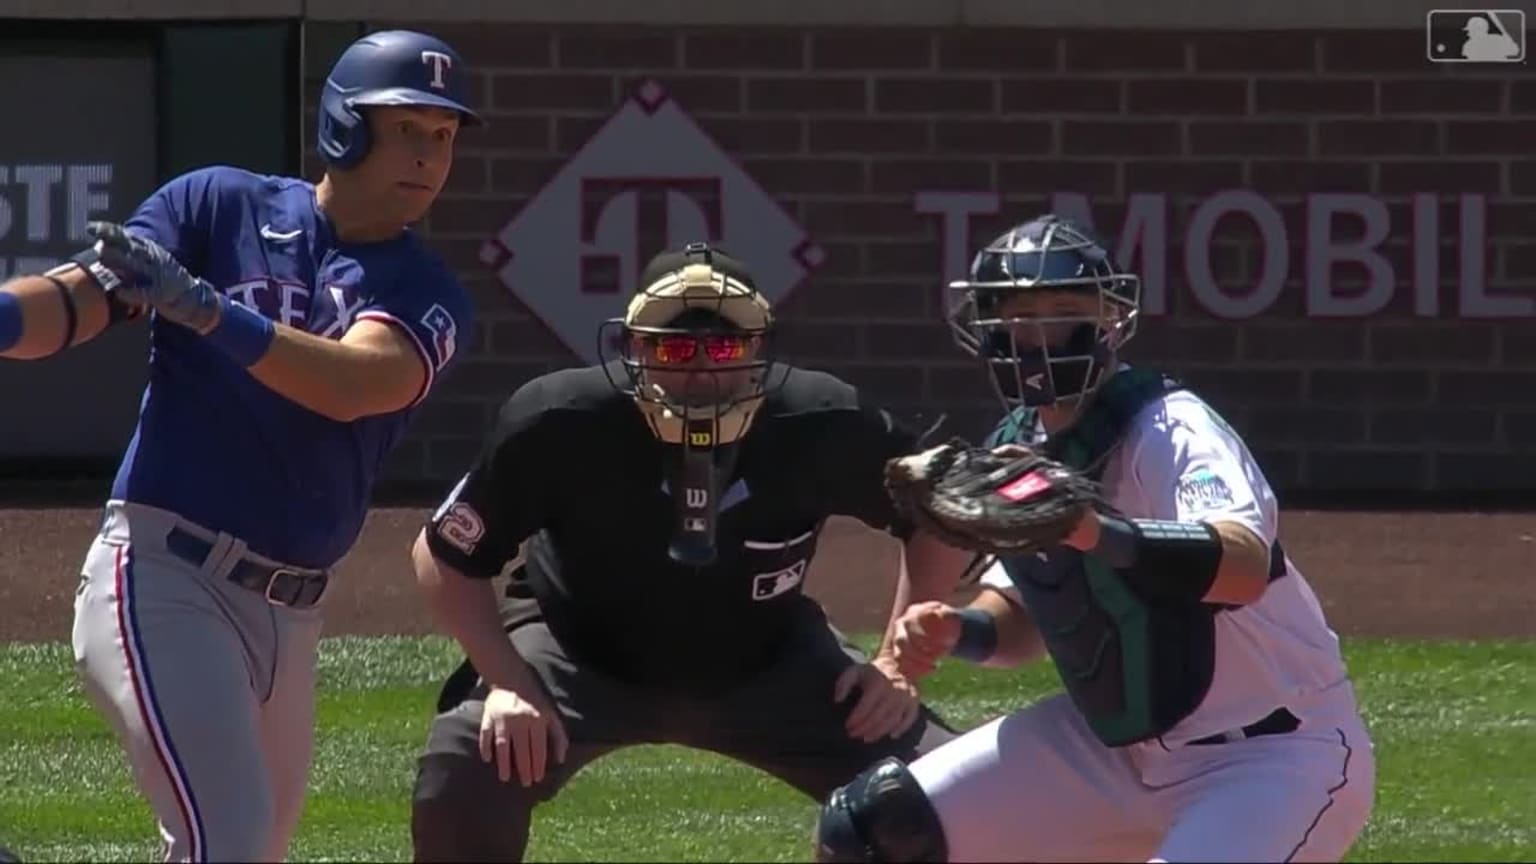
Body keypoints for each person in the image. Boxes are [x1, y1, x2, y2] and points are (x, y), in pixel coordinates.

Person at [0, 29, 480, 860]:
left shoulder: (427, 289)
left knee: (236, 847)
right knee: (230, 836)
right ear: (344, 127)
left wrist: (211, 313)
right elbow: (78, 303)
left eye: (442, 136)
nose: (427, 156)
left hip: (291, 619)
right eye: (405, 127)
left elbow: (356, 384)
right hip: (163, 574)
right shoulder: (218, 206)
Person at [813, 215, 1376, 863]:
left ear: (1110, 320)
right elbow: (1023, 618)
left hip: (1270, 755)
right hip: (1114, 755)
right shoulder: (1019, 450)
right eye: (1022, 317)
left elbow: (1244, 563)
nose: (1042, 334)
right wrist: (955, 628)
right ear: (988, 332)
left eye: (1065, 311)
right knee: (873, 829)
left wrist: (1096, 531)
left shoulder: (1171, 428)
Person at [408, 242, 972, 861]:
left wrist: (895, 664)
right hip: (575, 652)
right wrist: (507, 682)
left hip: (771, 659)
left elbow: (937, 515)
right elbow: (442, 555)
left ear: (759, 348)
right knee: (468, 756)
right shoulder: (559, 419)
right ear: (634, 349)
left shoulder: (824, 419)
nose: (701, 372)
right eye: (675, 349)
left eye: (725, 348)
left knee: (941, 785)